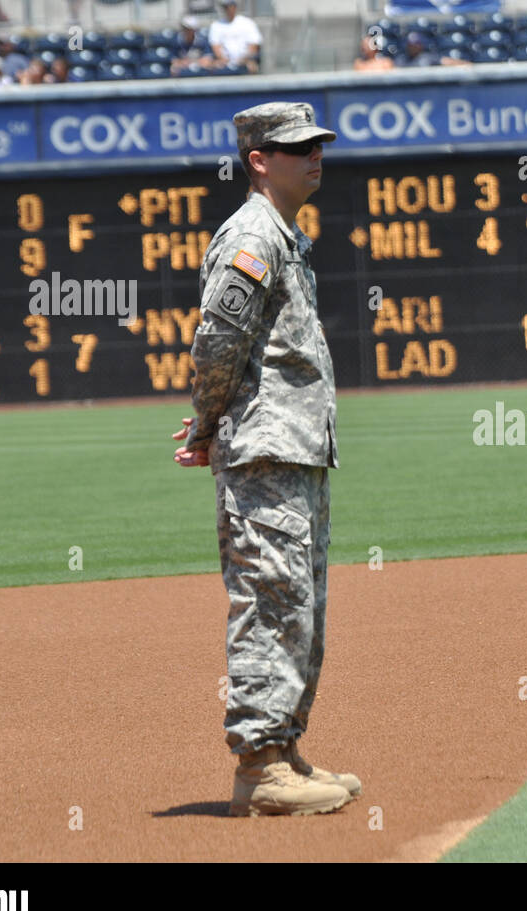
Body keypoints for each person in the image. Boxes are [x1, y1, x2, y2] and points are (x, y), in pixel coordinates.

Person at [172, 102, 359, 817]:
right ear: (258, 159)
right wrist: (209, 424)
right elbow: (218, 339)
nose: (315, 155)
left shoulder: (284, 234)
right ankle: (258, 766)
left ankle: (283, 748)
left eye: (317, 144)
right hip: (265, 453)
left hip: (293, 448)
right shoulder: (252, 234)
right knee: (271, 604)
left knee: (297, 603)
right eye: (296, 148)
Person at [209, 0, 262, 72]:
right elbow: (216, 46)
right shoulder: (216, 25)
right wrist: (224, 60)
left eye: (230, 6)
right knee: (213, 66)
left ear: (235, 7)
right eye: (226, 7)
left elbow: (254, 46)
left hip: (245, 61)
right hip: (225, 62)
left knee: (252, 66)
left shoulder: (247, 23)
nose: (229, 9)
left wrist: (244, 59)